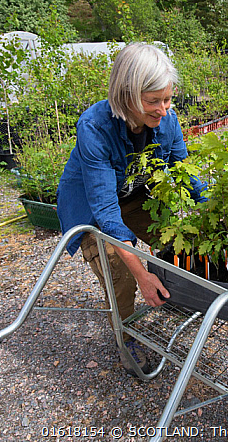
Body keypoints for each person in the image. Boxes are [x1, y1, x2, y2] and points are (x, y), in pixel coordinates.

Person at [57, 42, 207, 375]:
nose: (163, 109)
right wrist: (141, 274)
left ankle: (167, 292)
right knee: (120, 275)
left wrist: (211, 206)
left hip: (135, 193)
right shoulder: (94, 127)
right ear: (126, 96)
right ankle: (126, 334)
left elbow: (184, 169)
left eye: (168, 99)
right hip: (94, 207)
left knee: (170, 237)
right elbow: (107, 215)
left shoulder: (167, 120)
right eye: (153, 101)